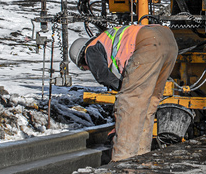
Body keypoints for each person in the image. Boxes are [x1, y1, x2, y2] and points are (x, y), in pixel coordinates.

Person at [69, 25, 179, 161]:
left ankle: (122, 161)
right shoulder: (106, 40)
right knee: (147, 105)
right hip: (168, 41)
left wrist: (127, 89)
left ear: (81, 59)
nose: (88, 68)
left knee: (128, 103)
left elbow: (103, 76)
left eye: (85, 67)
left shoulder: (90, 50)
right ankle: (141, 156)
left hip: (148, 43)